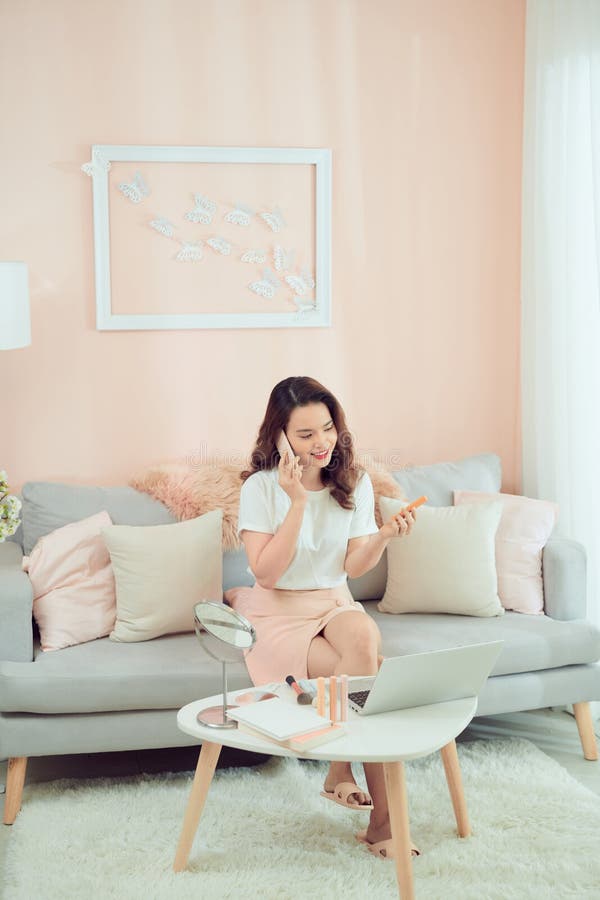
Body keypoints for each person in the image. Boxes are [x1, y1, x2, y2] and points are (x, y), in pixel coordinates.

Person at [229, 375, 418, 860]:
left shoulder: (355, 481)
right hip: (278, 612)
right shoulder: (260, 489)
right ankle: (381, 819)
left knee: (363, 634)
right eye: (305, 434)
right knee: (363, 671)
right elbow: (267, 575)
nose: (321, 444)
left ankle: (342, 772)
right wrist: (296, 502)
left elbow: (353, 567)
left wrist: (382, 537)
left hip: (334, 601)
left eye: (328, 429)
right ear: (280, 437)